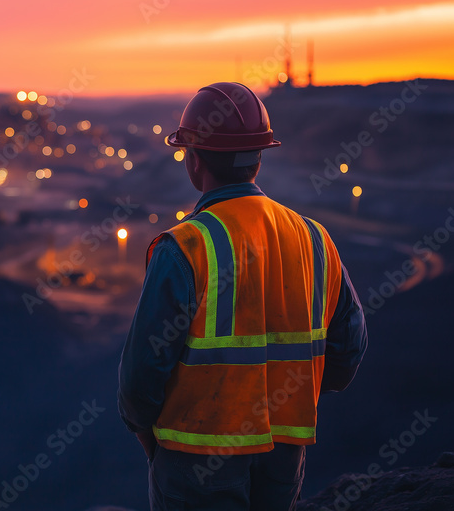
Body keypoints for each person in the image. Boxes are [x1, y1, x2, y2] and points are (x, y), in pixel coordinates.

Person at [117, 82, 368, 511]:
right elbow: (347, 353)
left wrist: (150, 440)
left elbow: (141, 378)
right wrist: (290, 397)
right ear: (258, 157)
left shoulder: (185, 246)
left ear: (194, 160)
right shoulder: (314, 238)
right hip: (283, 455)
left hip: (193, 460)